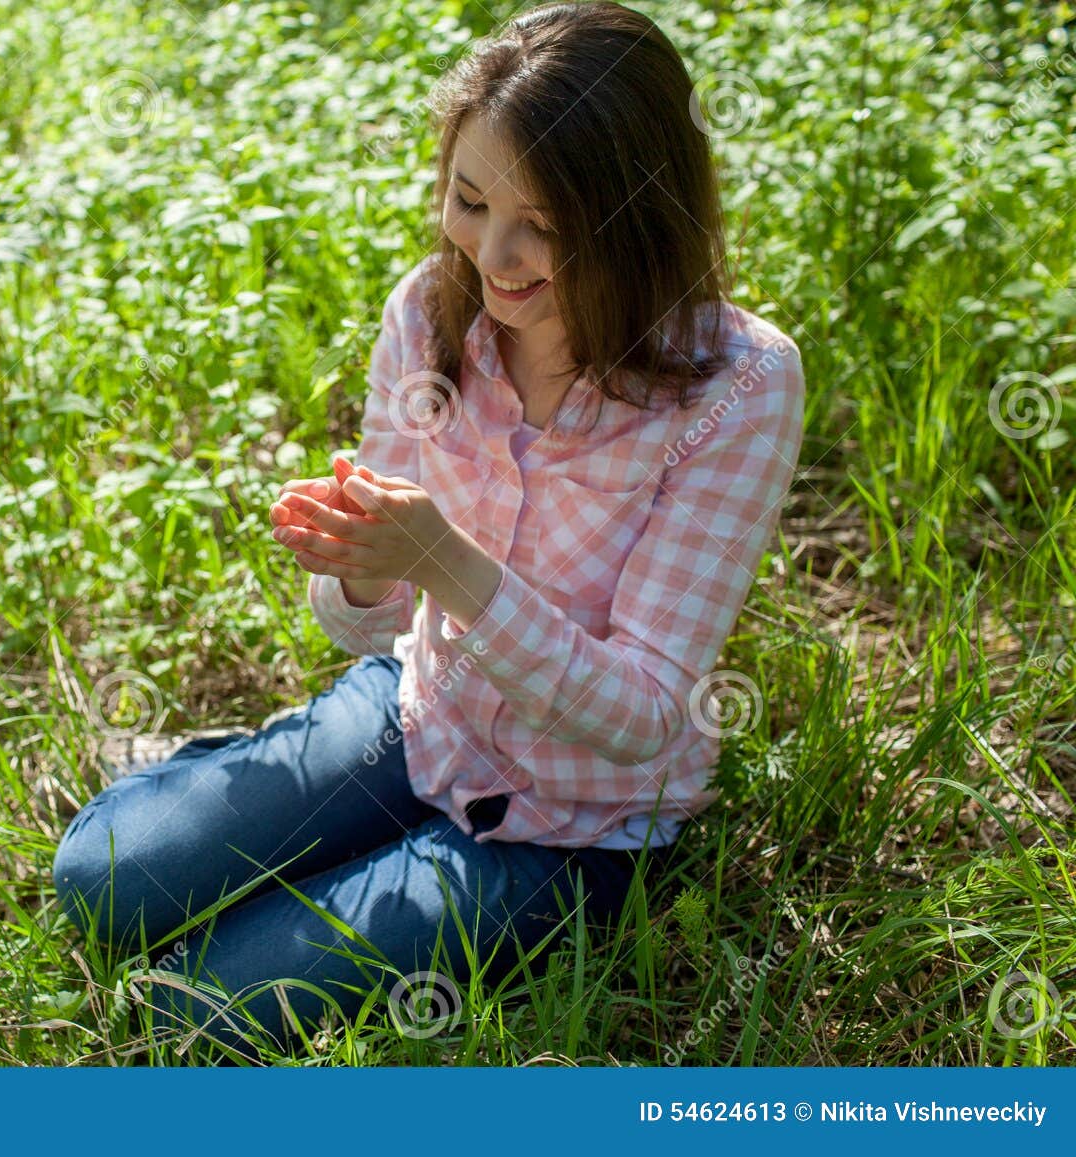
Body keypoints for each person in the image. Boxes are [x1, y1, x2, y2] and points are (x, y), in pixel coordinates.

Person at [52, 0, 806, 1063]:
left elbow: (641, 714)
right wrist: (360, 574)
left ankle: (337, 837)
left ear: (636, 217)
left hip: (576, 818)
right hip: (424, 711)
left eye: (541, 224)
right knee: (101, 879)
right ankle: (234, 779)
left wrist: (444, 563)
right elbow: (368, 626)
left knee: (201, 1010)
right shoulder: (430, 314)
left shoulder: (737, 384)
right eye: (468, 199)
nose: (493, 257)